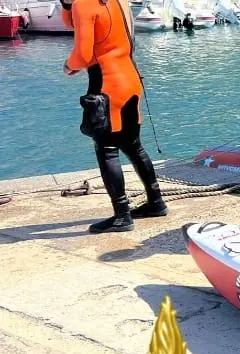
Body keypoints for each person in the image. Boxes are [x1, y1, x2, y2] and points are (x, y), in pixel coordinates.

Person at [62, 0, 167, 234]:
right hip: (130, 78)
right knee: (133, 145)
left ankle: (122, 215)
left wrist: (69, 66)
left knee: (107, 149)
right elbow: (73, 22)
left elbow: (82, 54)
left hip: (107, 84)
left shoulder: (85, 4)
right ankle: (156, 202)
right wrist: (68, 6)